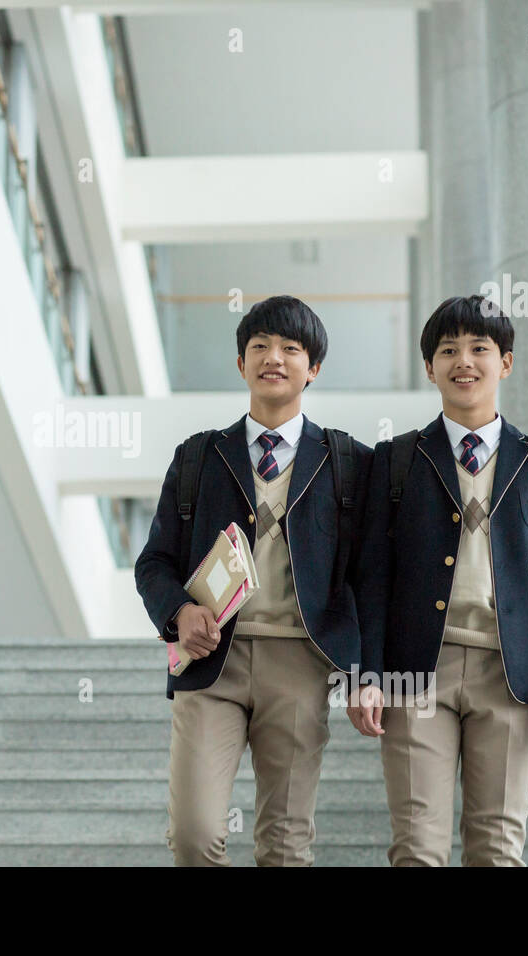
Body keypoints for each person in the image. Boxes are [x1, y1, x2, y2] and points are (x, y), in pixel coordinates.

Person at [134, 295, 371, 866]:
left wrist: (368, 670)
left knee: (286, 845)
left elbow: (369, 576)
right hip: (211, 659)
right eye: (260, 346)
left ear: (312, 369)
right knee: (193, 835)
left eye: (291, 348)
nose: (274, 357)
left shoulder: (348, 463)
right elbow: (154, 562)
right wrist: (179, 613)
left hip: (300, 664)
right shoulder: (197, 458)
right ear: (241, 363)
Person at [349, 293, 528, 866]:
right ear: (429, 366)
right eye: (448, 349)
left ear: (505, 362)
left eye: (480, 348)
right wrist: (366, 674)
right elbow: (371, 581)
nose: (464, 361)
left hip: (513, 675)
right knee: (416, 847)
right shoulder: (396, 461)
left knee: (498, 848)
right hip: (414, 676)